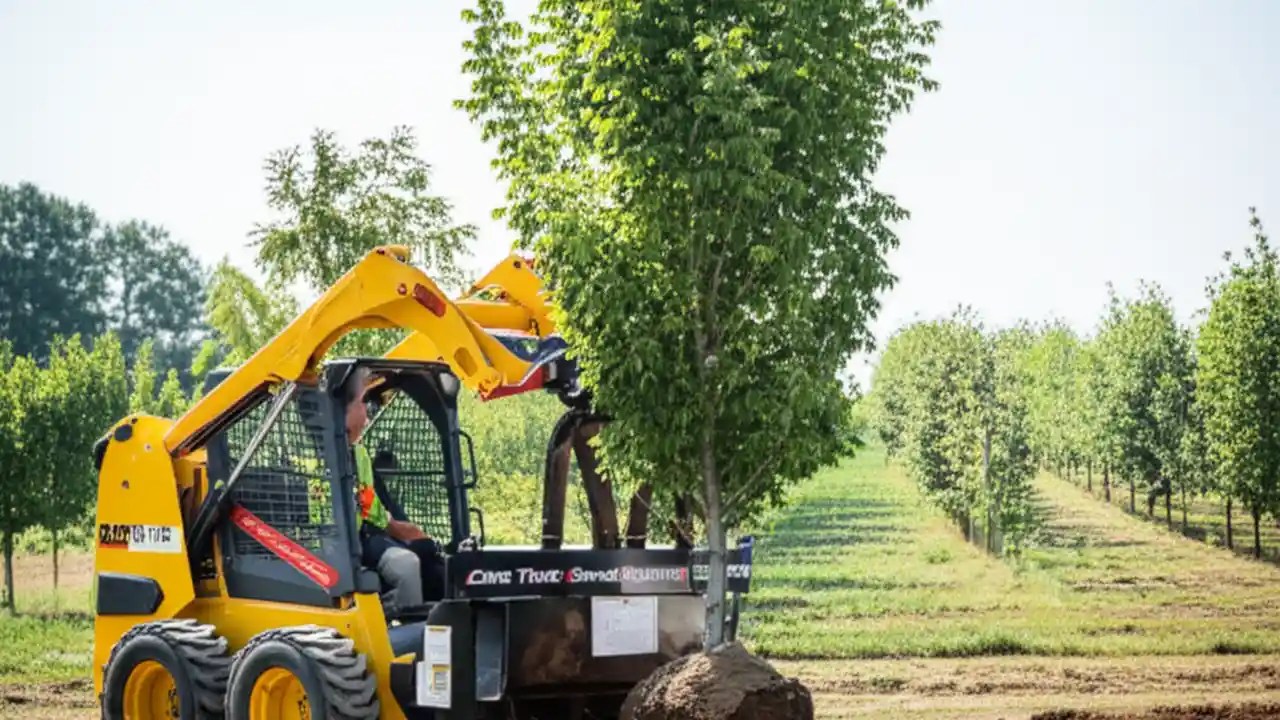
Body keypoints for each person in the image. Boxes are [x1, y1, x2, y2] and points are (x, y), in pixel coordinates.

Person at [342, 367, 447, 609]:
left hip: (362, 541)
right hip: (334, 549)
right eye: (362, 403)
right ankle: (399, 623)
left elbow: (371, 507)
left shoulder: (359, 455)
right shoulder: (315, 458)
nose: (367, 417)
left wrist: (406, 530)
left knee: (423, 554)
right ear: (342, 409)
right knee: (407, 565)